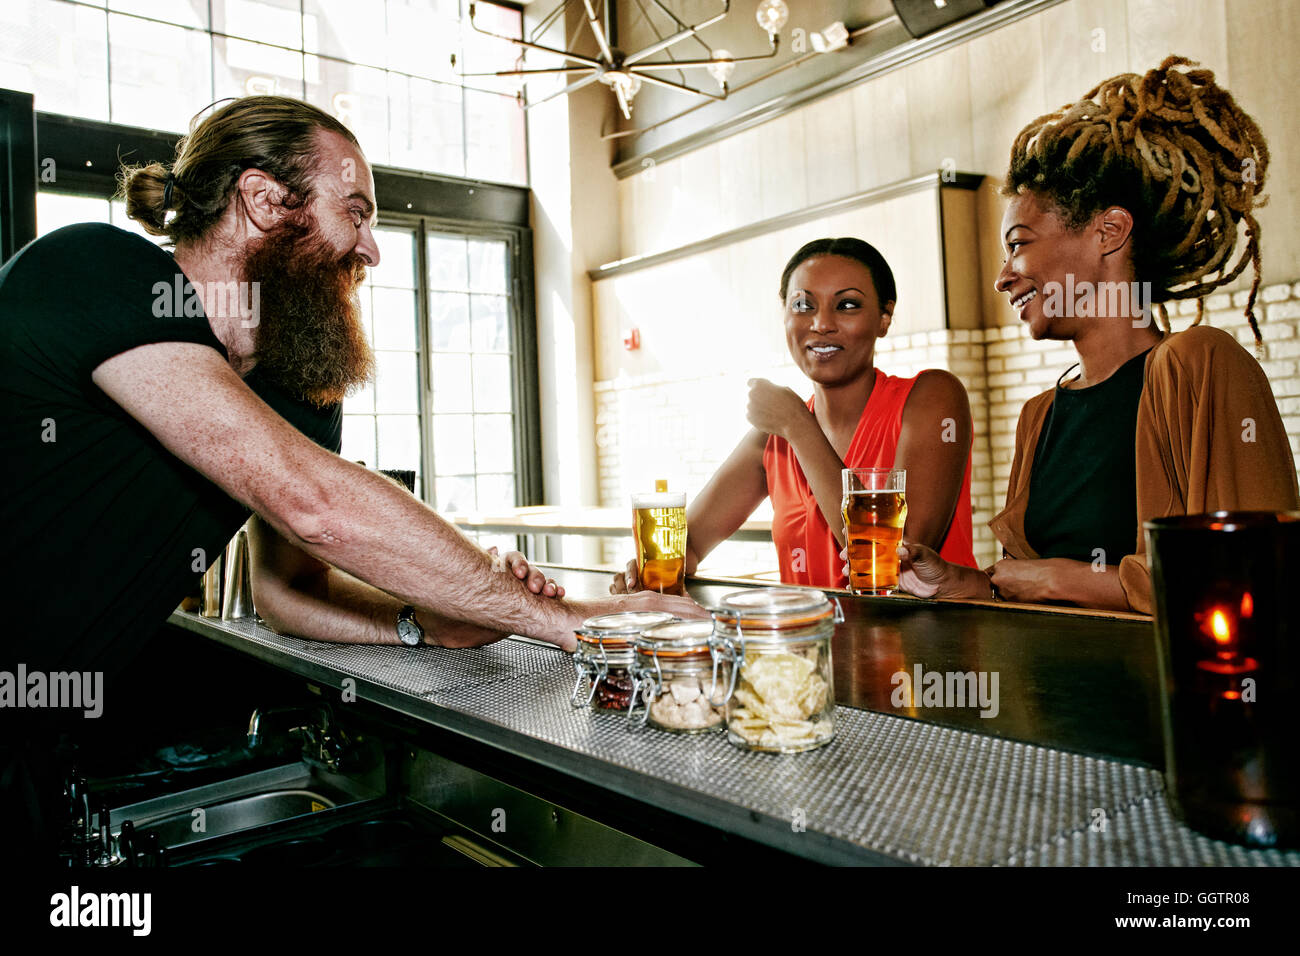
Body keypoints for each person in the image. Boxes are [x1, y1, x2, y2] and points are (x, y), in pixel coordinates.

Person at [896, 56, 1299, 612]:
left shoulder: (1199, 364)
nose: (1002, 275)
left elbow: (1255, 574)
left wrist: (1060, 579)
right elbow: (1025, 583)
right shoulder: (1041, 415)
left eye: (1018, 243)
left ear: (1108, 232)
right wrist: (966, 582)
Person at [613, 237, 977, 593]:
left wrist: (798, 426)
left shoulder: (933, 396)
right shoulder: (771, 437)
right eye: (803, 305)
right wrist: (649, 568)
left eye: (847, 305)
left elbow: (896, 560)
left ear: (884, 318)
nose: (821, 323)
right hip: (813, 649)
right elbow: (688, 548)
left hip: (926, 649)